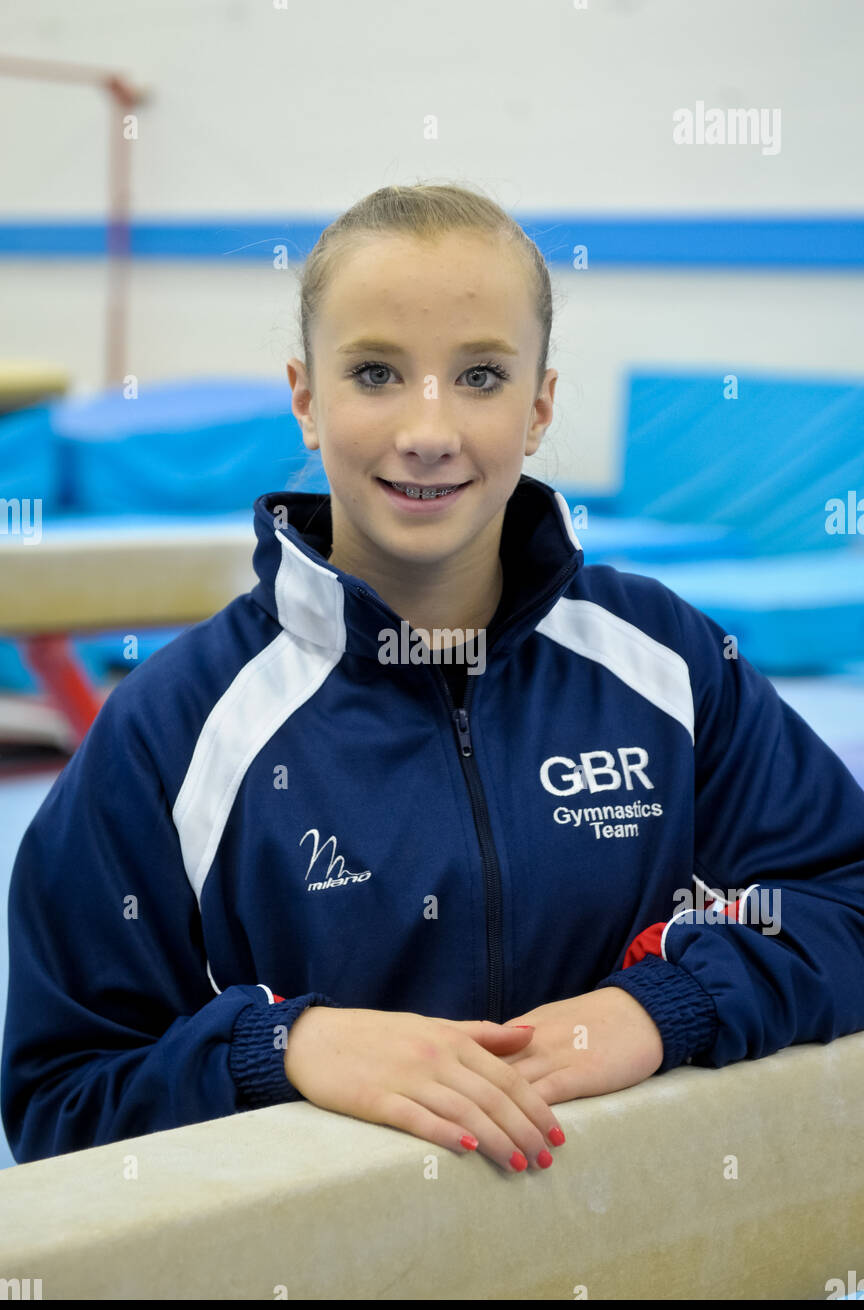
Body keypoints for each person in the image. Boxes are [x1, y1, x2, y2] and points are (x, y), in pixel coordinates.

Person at [3, 182, 864, 1173]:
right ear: (306, 400)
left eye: (481, 376)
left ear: (540, 406)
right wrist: (285, 1047)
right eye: (375, 373)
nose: (428, 429)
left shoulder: (665, 662)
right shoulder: (176, 727)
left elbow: (843, 895)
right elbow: (63, 1099)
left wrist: (660, 1006)